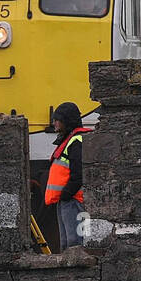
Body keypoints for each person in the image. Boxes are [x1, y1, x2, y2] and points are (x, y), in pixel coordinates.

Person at [43, 102, 92, 250]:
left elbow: (79, 173)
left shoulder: (76, 141)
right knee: (66, 244)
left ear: (66, 121)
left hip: (73, 200)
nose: (54, 123)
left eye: (57, 119)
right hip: (66, 200)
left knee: (74, 243)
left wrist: (66, 193)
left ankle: (79, 273)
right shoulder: (69, 139)